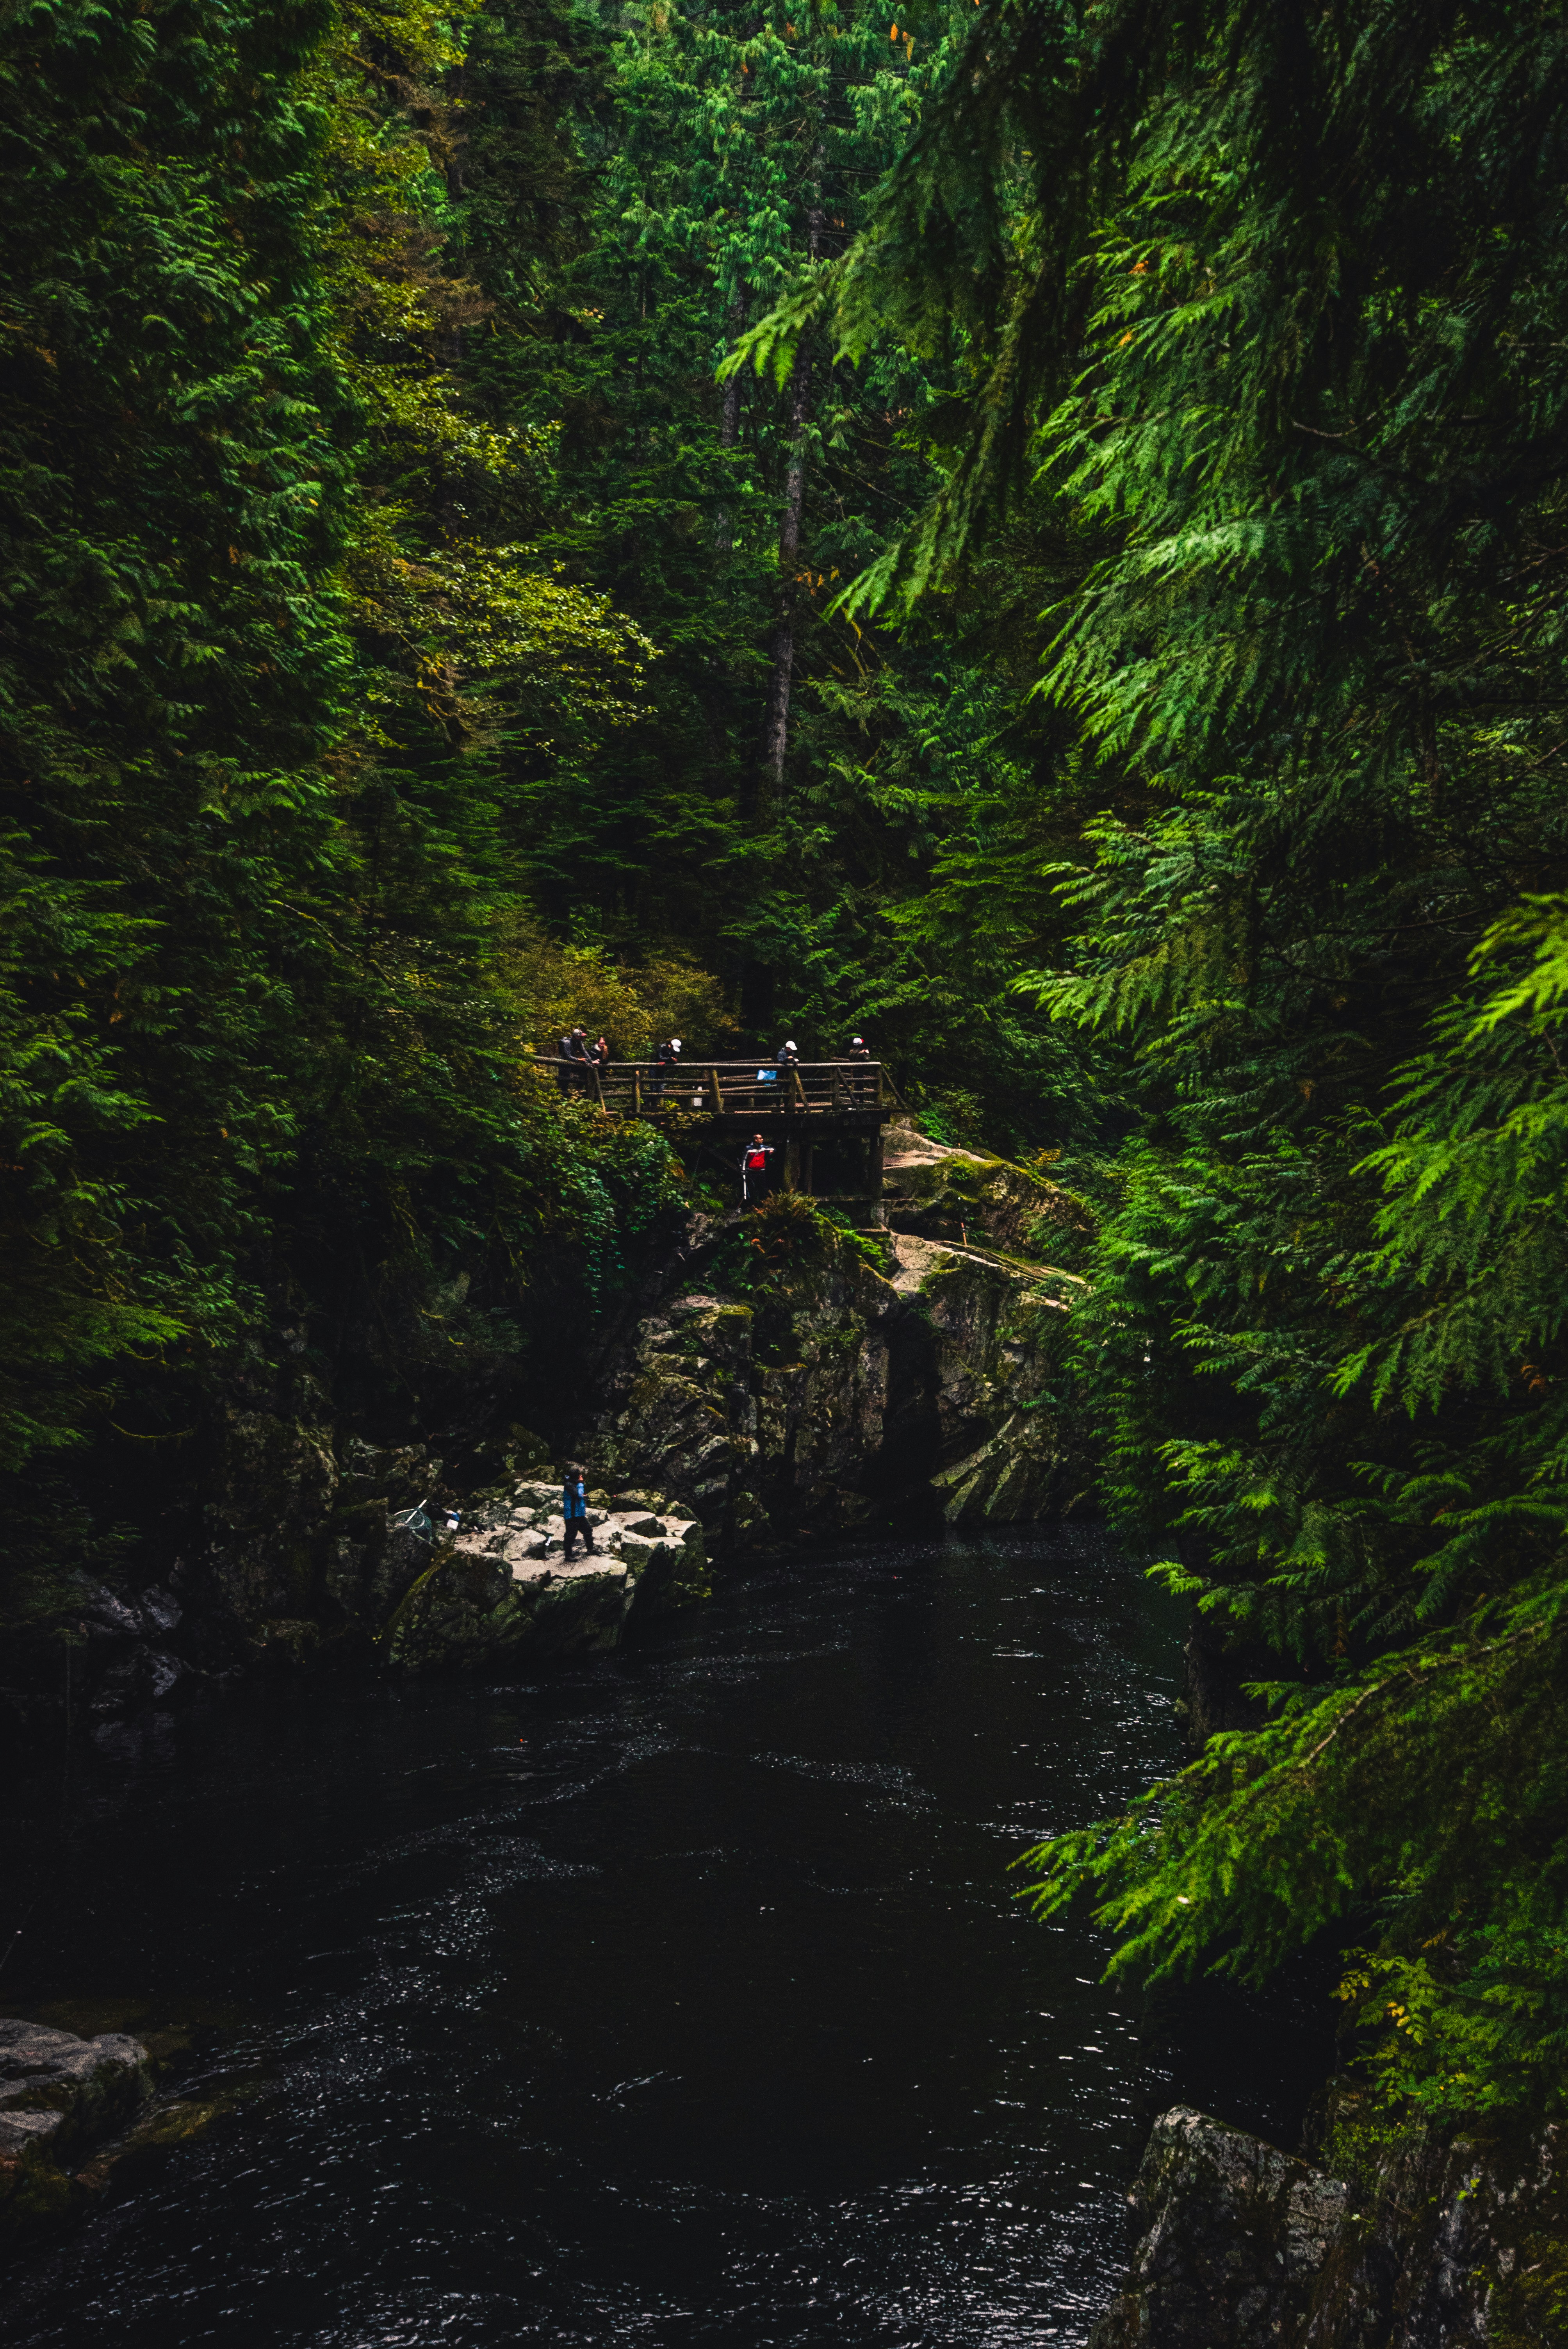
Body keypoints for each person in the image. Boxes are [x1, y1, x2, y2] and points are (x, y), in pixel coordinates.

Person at [561, 1465, 596, 1559]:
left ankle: (590, 1549)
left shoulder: (573, 1483)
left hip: (579, 1514)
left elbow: (579, 1495)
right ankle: (568, 1555)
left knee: (588, 1530)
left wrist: (585, 1496)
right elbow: (578, 1494)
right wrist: (581, 1483)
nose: (581, 1477)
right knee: (571, 1535)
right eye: (579, 1475)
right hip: (572, 1515)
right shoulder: (569, 1485)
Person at [740, 1132, 773, 1203]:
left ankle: (763, 1204)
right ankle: (751, 1204)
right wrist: (743, 1170)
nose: (762, 1140)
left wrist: (771, 1151)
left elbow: (773, 1149)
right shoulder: (748, 1149)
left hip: (761, 1171)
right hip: (752, 1172)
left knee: (762, 1188)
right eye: (760, 1138)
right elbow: (744, 1159)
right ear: (756, 1140)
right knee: (751, 1188)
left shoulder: (763, 1147)